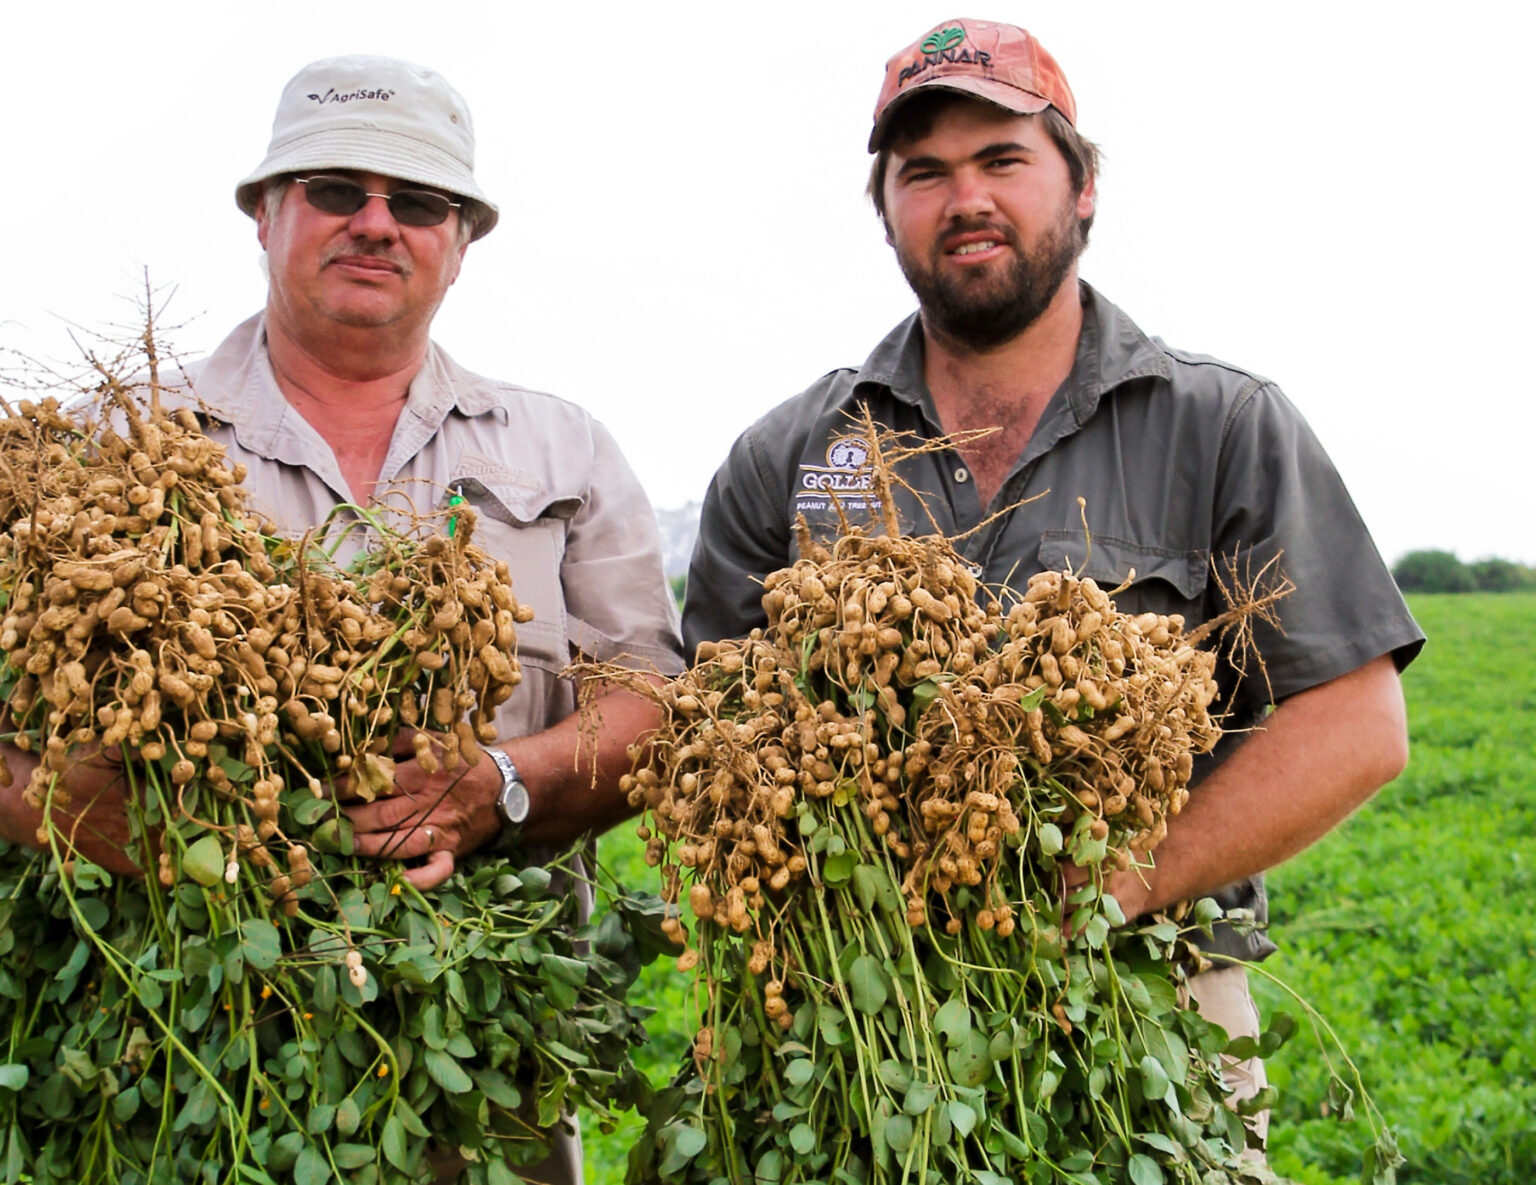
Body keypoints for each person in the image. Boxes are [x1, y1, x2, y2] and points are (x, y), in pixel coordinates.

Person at [683, 18, 1424, 1149]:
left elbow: (1358, 722)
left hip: (1148, 986)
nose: (963, 196)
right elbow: (707, 724)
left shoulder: (1223, 425)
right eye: (922, 172)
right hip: (857, 1011)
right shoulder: (793, 451)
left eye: (1003, 159)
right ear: (884, 211)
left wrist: (1125, 884)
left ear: (1083, 191)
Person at [0, 55, 684, 1185]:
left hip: (482, 1081)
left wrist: (501, 785)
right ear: (265, 215)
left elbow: (650, 710)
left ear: (460, 242)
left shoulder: (563, 450)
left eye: (417, 203)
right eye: (334, 190)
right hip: (174, 1068)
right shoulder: (102, 448)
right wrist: (57, 810)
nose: (376, 224)